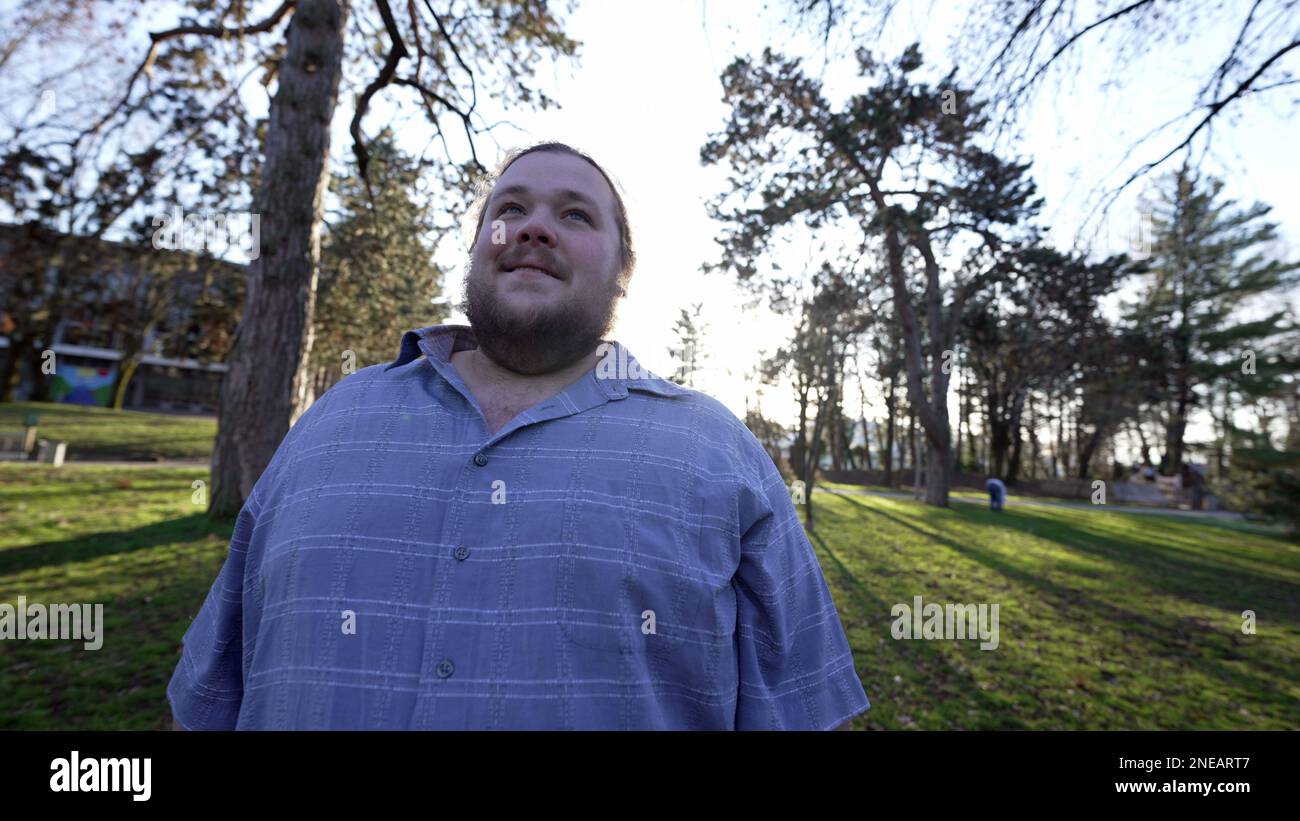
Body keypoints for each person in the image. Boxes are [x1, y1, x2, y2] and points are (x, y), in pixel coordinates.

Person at [168, 142, 870, 730]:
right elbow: (209, 692)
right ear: (478, 247)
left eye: (574, 214)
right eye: (509, 210)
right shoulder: (332, 416)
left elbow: (809, 708)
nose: (534, 228)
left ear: (624, 270)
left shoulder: (721, 451)